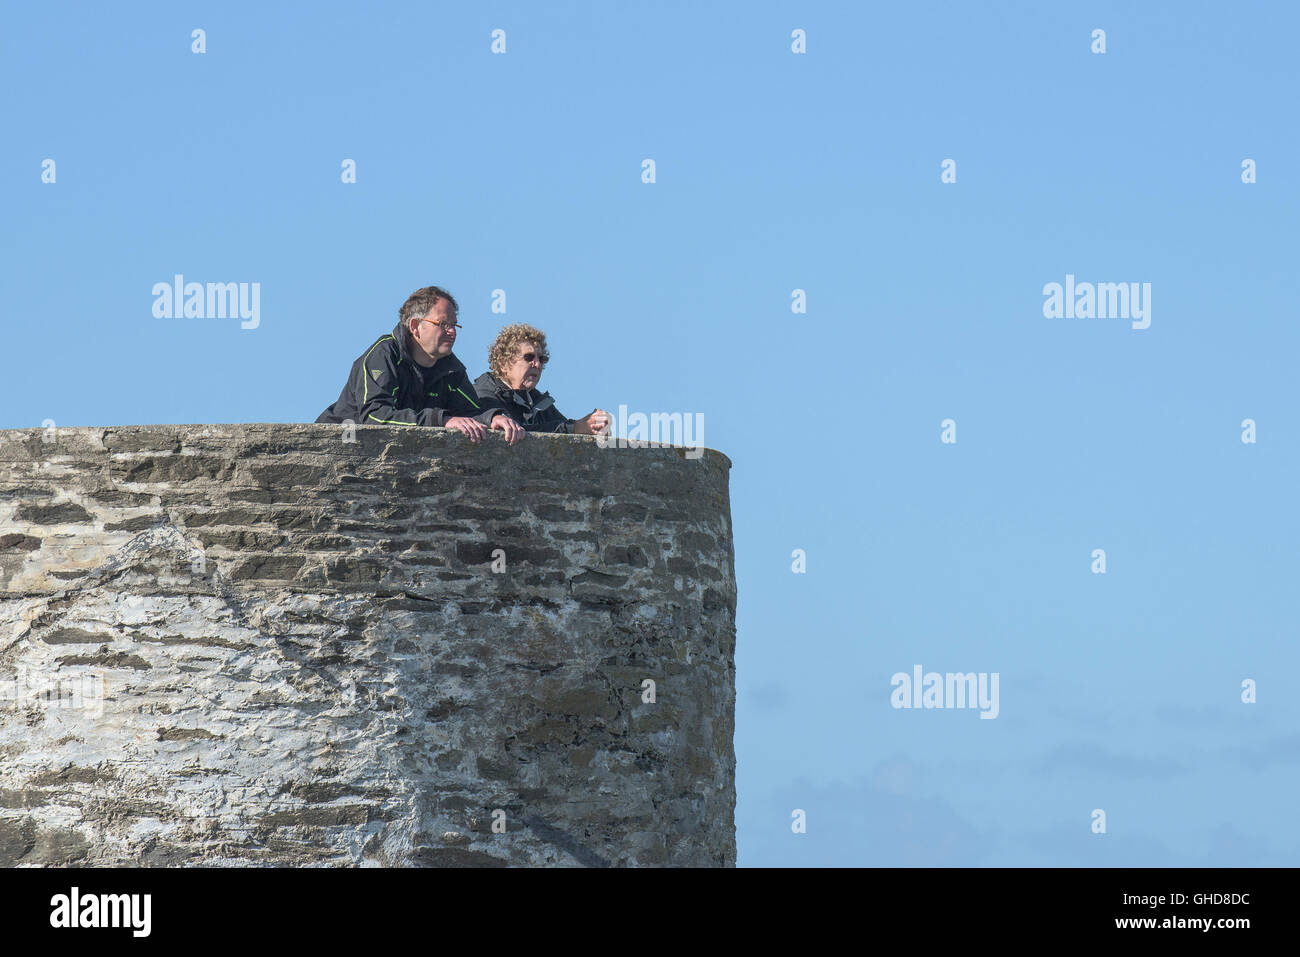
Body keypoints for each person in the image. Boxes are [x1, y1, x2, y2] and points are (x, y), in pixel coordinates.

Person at [316, 286, 524, 445]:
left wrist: (493, 418)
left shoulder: (452, 370)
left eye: (454, 325)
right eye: (443, 324)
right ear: (415, 326)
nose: (452, 332)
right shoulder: (383, 355)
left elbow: (470, 411)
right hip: (337, 450)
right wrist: (442, 420)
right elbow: (374, 417)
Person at [473, 324, 610, 435]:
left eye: (541, 359)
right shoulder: (484, 392)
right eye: (529, 357)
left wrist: (592, 427)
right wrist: (576, 428)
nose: (537, 364)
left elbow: (566, 428)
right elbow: (515, 432)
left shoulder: (537, 400)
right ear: (503, 363)